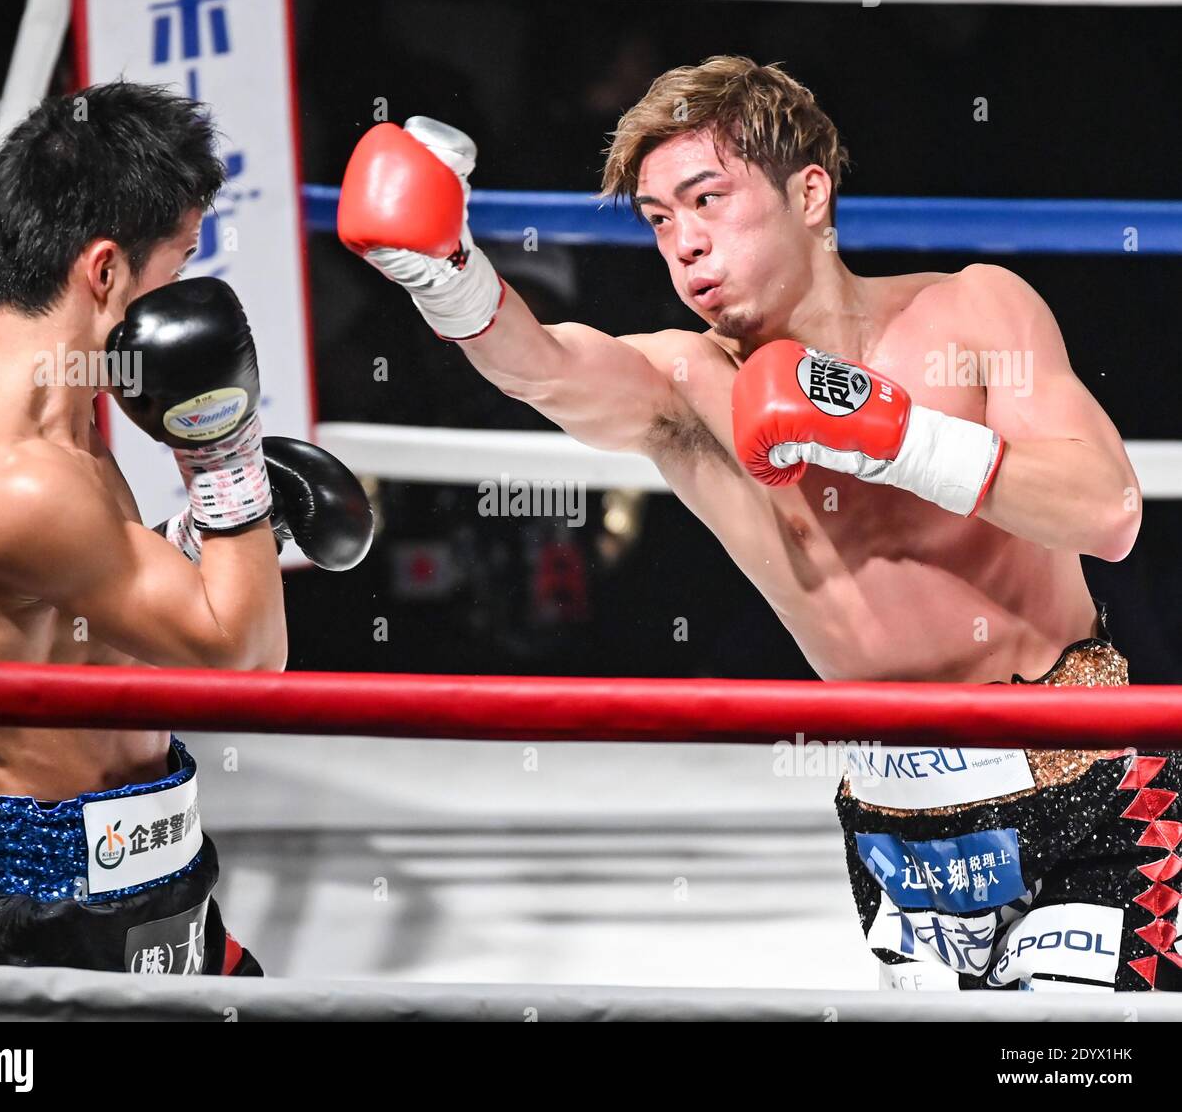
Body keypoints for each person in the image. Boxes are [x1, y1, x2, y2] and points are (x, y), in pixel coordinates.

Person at [335, 55, 1173, 991]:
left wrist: (892, 436)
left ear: (809, 193)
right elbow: (542, 367)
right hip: (899, 830)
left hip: (1088, 786)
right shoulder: (690, 389)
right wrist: (443, 275)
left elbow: (1108, 513)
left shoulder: (975, 310)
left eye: (708, 200)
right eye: (660, 221)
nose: (684, 243)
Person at [0, 82, 371, 975]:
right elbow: (245, 662)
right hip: (58, 913)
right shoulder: (16, 474)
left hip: (150, 864)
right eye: (179, 259)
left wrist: (199, 535)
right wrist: (228, 460)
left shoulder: (47, 405)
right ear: (104, 272)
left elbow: (84, 597)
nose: (188, 287)